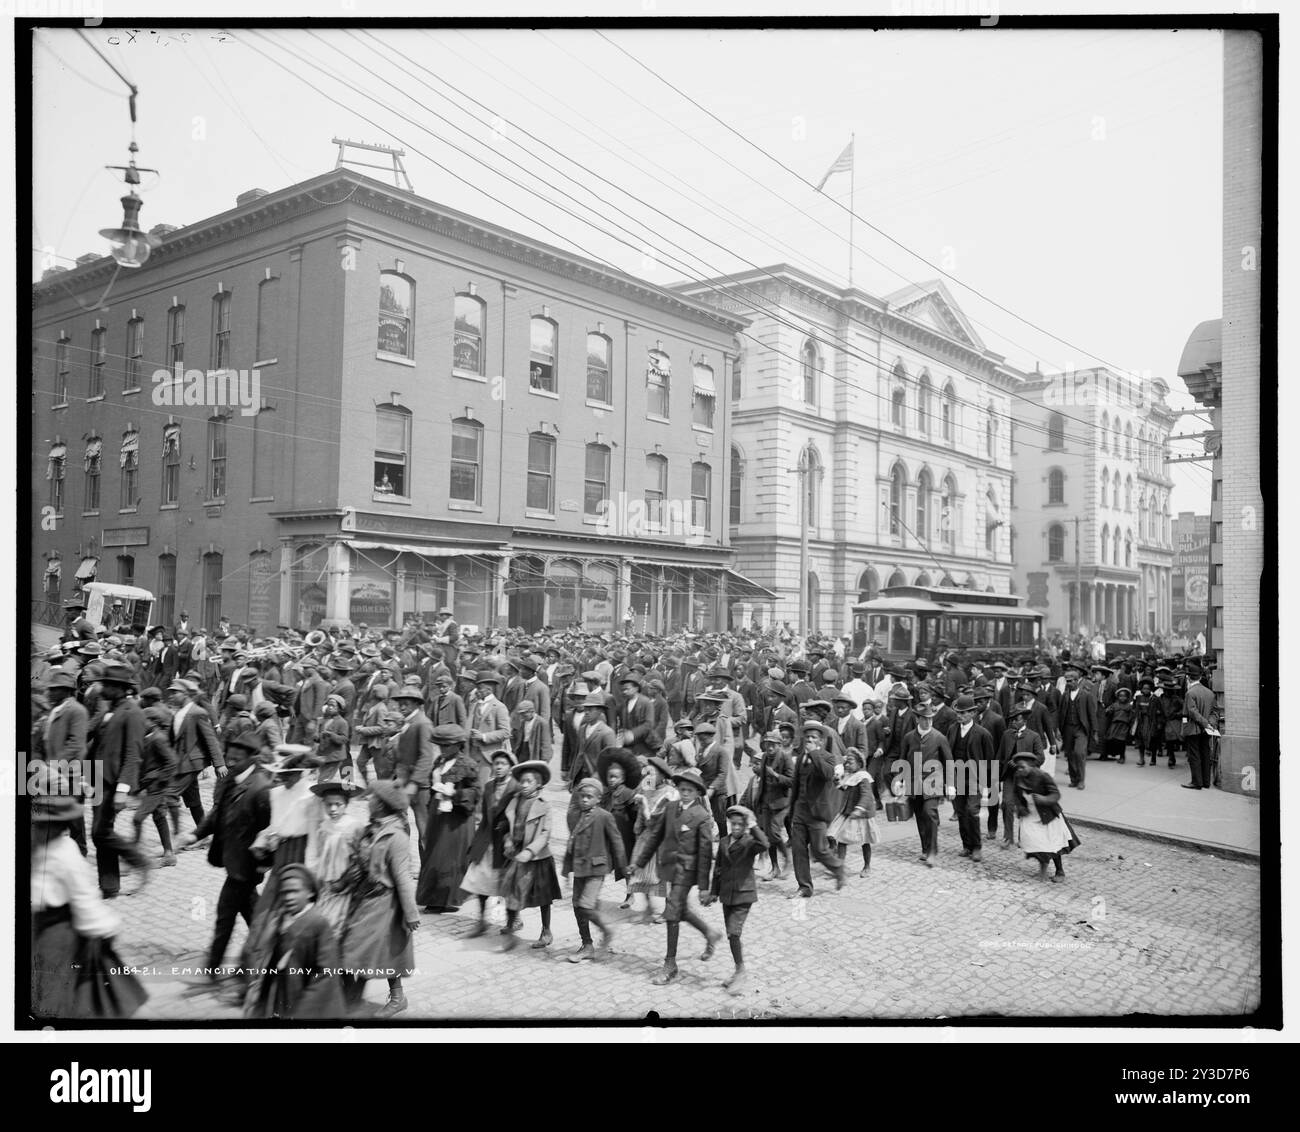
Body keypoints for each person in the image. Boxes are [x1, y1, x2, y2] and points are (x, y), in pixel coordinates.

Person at [31, 795, 147, 1020]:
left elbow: (83, 900)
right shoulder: (49, 849)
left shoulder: (63, 854)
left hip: (56, 935)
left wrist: (103, 927)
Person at [175, 733, 273, 986]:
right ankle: (269, 958)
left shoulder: (261, 788)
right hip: (233, 861)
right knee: (253, 916)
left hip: (246, 866)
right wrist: (194, 834)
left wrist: (262, 865)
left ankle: (213, 970)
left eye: (238, 754)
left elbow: (269, 829)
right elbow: (217, 812)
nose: (231, 757)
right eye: (230, 752)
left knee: (225, 915)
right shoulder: (233, 778)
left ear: (252, 758)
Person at [336, 781, 420, 1018]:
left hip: (384, 902)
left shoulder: (397, 837)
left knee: (375, 949)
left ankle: (395, 999)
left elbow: (403, 878)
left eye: (371, 798)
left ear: (382, 805)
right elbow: (356, 863)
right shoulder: (370, 829)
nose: (368, 801)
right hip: (363, 897)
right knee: (369, 948)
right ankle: (350, 995)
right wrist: (342, 883)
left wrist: (411, 914)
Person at [630, 767, 720, 986]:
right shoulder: (670, 808)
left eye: (690, 790)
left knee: (672, 912)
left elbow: (706, 853)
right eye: (682, 789)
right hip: (668, 867)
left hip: (687, 871)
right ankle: (709, 932)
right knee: (679, 909)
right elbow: (655, 837)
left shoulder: (702, 816)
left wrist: (704, 887)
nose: (685, 793)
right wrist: (639, 863)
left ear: (698, 793)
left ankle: (670, 965)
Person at [242, 863, 346, 1020]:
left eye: (295, 891)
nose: (289, 897)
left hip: (305, 1001)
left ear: (310, 892)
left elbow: (326, 974)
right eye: (285, 892)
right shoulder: (278, 920)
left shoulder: (318, 923)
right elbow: (264, 956)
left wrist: (303, 1011)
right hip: (280, 992)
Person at [87, 662, 152, 898]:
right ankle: (109, 886)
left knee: (100, 832)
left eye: (107, 684)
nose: (102, 687)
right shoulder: (110, 707)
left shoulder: (133, 712)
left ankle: (140, 860)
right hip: (97, 778)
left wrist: (123, 790)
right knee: (100, 832)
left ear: (120, 688)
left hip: (113, 782)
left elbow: (134, 754)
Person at [701, 804, 768, 996]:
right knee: (732, 936)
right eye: (733, 824)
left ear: (745, 826)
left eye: (740, 824)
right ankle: (738, 970)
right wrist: (713, 892)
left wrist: (753, 823)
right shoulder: (723, 841)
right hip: (727, 895)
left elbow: (765, 844)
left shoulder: (749, 842)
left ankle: (741, 972)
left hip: (744, 895)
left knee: (733, 932)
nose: (736, 828)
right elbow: (719, 870)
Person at [562, 777, 629, 963]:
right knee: (577, 907)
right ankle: (587, 945)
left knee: (585, 905)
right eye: (582, 796)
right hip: (579, 868)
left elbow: (617, 842)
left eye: (589, 796)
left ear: (598, 798)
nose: (584, 800)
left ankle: (606, 929)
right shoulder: (576, 816)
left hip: (597, 869)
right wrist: (567, 869)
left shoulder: (604, 816)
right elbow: (571, 843)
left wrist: (624, 869)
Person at [416, 724, 481, 913]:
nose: (442, 749)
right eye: (440, 746)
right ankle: (437, 897)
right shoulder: (439, 762)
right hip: (438, 815)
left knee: (447, 857)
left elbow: (476, 792)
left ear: (458, 745)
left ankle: (444, 899)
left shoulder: (467, 764)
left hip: (457, 819)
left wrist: (455, 794)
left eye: (446, 746)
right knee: (434, 853)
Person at [501, 759, 563, 950]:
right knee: (511, 891)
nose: (525, 785)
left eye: (529, 781)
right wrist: (508, 840)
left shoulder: (543, 805)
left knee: (543, 896)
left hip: (537, 858)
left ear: (538, 784)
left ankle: (546, 931)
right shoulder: (514, 802)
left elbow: (545, 833)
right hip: (517, 854)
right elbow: (506, 826)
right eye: (522, 781)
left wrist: (530, 851)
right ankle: (512, 924)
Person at [461, 750, 519, 938]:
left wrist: (511, 835)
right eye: (496, 764)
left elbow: (519, 816)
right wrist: (477, 839)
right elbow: (484, 816)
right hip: (487, 841)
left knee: (506, 883)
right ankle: (482, 920)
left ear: (510, 767)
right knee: (480, 881)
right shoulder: (488, 787)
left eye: (503, 763)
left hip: (505, 843)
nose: (499, 767)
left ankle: (512, 921)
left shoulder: (516, 788)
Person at [787, 721, 847, 897]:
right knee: (798, 849)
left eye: (813, 737)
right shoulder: (799, 759)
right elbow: (796, 785)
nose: (809, 740)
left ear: (820, 741)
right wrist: (792, 811)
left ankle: (838, 868)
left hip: (817, 813)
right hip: (800, 810)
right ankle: (805, 887)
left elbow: (828, 774)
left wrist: (814, 753)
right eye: (807, 737)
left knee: (819, 850)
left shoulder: (828, 757)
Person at [304, 774, 367, 938]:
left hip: (346, 885)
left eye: (338, 804)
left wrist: (348, 880)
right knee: (322, 922)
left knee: (339, 925)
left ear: (346, 804)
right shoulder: (324, 827)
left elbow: (360, 858)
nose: (333, 809)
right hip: (327, 886)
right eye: (329, 805)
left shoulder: (355, 827)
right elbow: (320, 855)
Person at [1010, 752, 1081, 882]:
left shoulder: (1043, 776)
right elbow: (1015, 794)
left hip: (1047, 815)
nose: (1020, 770)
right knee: (1033, 841)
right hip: (1030, 813)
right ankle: (1042, 867)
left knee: (1052, 844)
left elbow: (1056, 794)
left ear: (1031, 766)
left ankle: (1060, 871)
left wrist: (1044, 799)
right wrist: (1020, 807)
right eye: (1018, 767)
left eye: (1023, 767)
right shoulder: (1018, 776)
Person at [898, 702, 954, 867]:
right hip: (913, 782)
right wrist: (899, 781)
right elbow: (902, 760)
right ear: (917, 718)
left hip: (933, 782)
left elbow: (949, 762)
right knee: (920, 816)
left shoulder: (939, 738)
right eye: (924, 719)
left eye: (930, 719)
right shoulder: (908, 737)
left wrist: (950, 785)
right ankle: (925, 848)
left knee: (930, 813)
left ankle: (932, 852)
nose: (928, 722)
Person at [740, 730, 793, 880]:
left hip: (781, 802)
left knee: (775, 833)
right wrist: (758, 800)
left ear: (779, 745)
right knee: (767, 836)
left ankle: (788, 860)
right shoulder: (764, 757)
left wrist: (775, 775)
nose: (769, 748)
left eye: (773, 745)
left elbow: (792, 781)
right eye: (767, 744)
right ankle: (774, 867)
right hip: (766, 801)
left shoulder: (785, 758)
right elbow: (762, 780)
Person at [629, 756, 676, 924]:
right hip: (646, 838)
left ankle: (665, 910)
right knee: (643, 876)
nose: (649, 775)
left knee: (660, 877)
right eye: (648, 771)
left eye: (653, 772)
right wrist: (637, 826)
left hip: (662, 840)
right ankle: (652, 907)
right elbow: (641, 815)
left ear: (663, 775)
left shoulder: (669, 794)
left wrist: (643, 804)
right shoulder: (647, 787)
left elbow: (654, 821)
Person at [133, 706, 179, 866]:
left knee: (137, 819)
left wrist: (159, 779)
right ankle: (169, 855)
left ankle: (134, 855)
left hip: (156, 787)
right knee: (160, 817)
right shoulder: (150, 737)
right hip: (152, 784)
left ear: (153, 722)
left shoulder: (158, 739)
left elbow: (172, 761)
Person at [995, 705, 1045, 850]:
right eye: (1011, 720)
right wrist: (996, 776)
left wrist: (1022, 763)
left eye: (1016, 720)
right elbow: (999, 756)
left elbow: (1040, 758)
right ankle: (1008, 837)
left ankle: (1023, 838)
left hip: (1027, 780)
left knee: (1024, 808)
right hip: (1009, 777)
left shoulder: (1033, 736)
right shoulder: (1007, 735)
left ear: (1024, 720)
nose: (1013, 723)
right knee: (1006, 805)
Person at [597, 747, 642, 909]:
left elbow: (636, 815)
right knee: (603, 864)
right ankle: (593, 893)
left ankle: (630, 895)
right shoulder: (606, 795)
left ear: (622, 778)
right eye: (609, 777)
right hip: (608, 836)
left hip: (625, 837)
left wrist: (637, 834)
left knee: (625, 866)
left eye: (615, 777)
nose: (611, 780)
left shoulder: (628, 794)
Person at [827, 748, 878, 877]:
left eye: (850, 762)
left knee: (865, 841)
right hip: (850, 812)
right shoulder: (851, 776)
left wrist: (859, 809)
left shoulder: (863, 777)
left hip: (862, 814)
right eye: (846, 763)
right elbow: (846, 789)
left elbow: (866, 795)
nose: (847, 765)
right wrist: (837, 782)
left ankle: (867, 866)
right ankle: (840, 867)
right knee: (842, 839)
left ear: (859, 764)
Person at [1057, 662, 1098, 790]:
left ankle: (1081, 780)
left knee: (1079, 753)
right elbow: (1061, 713)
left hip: (1081, 729)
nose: (1068, 683)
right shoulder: (1064, 696)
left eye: (1070, 681)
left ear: (1076, 681)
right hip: (1068, 728)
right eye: (1066, 681)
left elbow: (1092, 715)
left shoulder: (1086, 695)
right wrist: (1058, 729)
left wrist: (1095, 731)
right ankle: (1073, 779)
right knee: (1069, 754)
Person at [1181, 662, 1220, 790]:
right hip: (1207, 729)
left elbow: (1192, 712)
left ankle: (1196, 782)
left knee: (1194, 755)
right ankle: (1205, 781)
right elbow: (1215, 712)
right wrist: (1210, 724)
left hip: (1193, 728)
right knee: (1205, 753)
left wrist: (1204, 723)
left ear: (1188, 678)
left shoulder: (1190, 693)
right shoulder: (1210, 692)